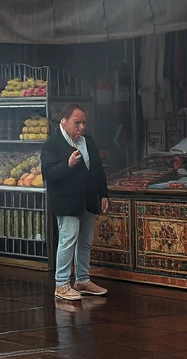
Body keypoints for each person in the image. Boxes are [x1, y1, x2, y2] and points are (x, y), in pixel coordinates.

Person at [41, 103, 110, 302]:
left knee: (85, 241)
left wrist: (103, 194)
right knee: (68, 240)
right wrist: (68, 165)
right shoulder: (52, 144)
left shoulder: (87, 141)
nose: (81, 127)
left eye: (83, 123)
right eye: (76, 123)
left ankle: (82, 279)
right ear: (64, 122)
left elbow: (97, 169)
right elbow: (49, 173)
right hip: (67, 201)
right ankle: (61, 285)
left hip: (87, 199)